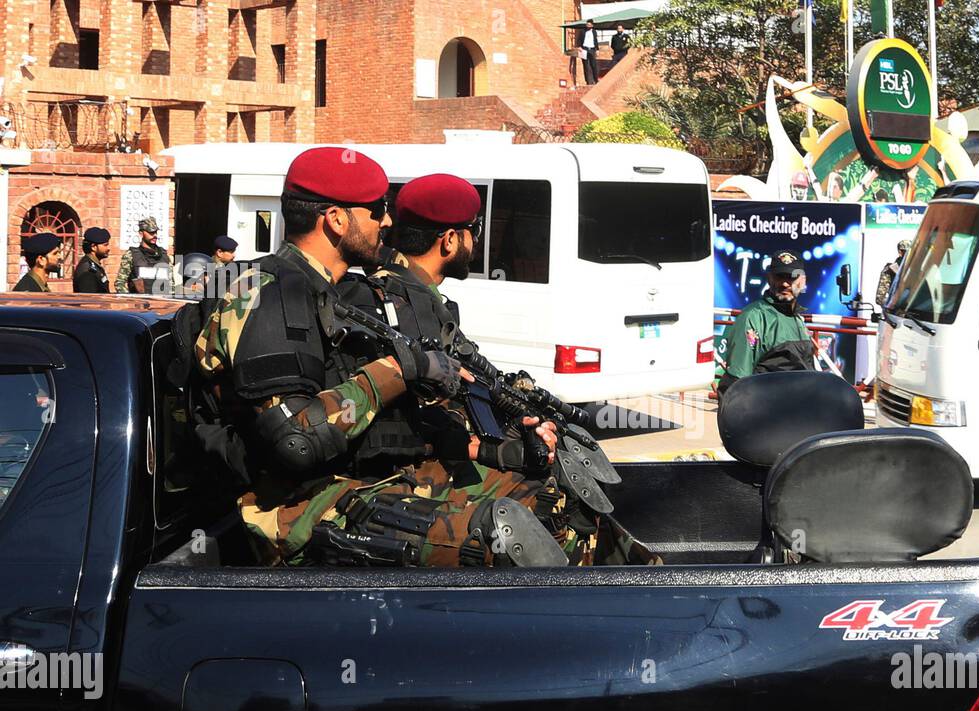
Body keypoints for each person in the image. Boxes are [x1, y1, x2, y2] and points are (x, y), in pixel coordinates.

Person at [194, 146, 566, 569]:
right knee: (502, 546)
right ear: (336, 219)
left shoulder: (327, 294)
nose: (387, 222)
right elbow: (296, 442)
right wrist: (402, 369)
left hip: (351, 479)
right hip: (289, 507)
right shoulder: (268, 293)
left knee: (546, 502)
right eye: (376, 210)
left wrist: (495, 450)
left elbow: (379, 424)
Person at [341, 173, 658, 566]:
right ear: (450, 240)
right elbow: (417, 414)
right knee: (552, 509)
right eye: (472, 232)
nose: (475, 243)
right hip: (394, 472)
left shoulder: (414, 298)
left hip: (424, 455)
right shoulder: (391, 303)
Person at [716, 249, 815, 397]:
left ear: (803, 281)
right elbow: (736, 384)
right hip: (767, 412)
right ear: (769, 278)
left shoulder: (798, 319)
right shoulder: (753, 317)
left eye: (791, 277)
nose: (785, 283)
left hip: (800, 412)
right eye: (779, 276)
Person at [115, 216, 172, 294]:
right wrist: (131, 299)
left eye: (155, 232)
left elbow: (171, 284)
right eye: (150, 232)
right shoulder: (131, 255)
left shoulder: (163, 255)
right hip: (139, 304)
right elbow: (120, 283)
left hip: (161, 303)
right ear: (141, 233)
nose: (154, 235)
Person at [73, 227, 113, 293]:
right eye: (105, 245)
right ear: (93, 247)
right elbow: (89, 300)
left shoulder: (94, 265)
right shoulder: (88, 272)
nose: (108, 248)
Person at [875, 239, 911, 308]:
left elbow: (880, 298)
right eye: (907, 252)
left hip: (911, 315)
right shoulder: (890, 270)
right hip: (900, 315)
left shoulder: (916, 270)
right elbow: (880, 298)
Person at [579, 19, 598, 84]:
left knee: (594, 65)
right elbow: (579, 39)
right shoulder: (582, 31)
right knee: (586, 66)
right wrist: (579, 47)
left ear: (592, 25)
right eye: (587, 24)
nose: (588, 26)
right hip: (584, 49)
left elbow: (595, 40)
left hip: (592, 49)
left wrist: (597, 49)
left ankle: (596, 80)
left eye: (589, 25)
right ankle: (588, 81)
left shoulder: (594, 32)